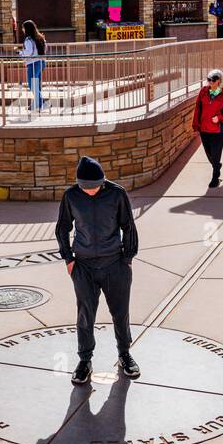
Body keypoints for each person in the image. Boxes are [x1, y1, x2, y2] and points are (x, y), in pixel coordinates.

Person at [55, 155, 140, 385]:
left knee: (120, 313)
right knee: (85, 316)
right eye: (85, 187)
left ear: (102, 181)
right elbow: (62, 228)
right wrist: (68, 259)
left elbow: (128, 226)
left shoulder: (116, 194)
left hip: (115, 264)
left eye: (94, 187)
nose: (90, 191)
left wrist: (128, 258)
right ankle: (84, 360)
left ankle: (124, 354)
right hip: (83, 266)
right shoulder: (71, 196)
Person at [191, 67, 223, 188]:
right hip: (204, 129)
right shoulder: (203, 91)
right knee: (209, 154)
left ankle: (215, 177)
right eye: (209, 79)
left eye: (213, 79)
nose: (210, 81)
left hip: (218, 130)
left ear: (219, 80)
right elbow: (198, 108)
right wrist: (196, 124)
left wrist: (220, 118)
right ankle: (217, 165)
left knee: (216, 154)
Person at [21, 18, 46, 112]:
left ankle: (41, 103)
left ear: (26, 29)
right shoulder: (41, 37)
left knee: (32, 85)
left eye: (23, 28)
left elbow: (28, 52)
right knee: (37, 85)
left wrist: (21, 53)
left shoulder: (28, 40)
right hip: (41, 62)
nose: (22, 30)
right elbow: (44, 49)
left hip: (32, 64)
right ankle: (36, 104)